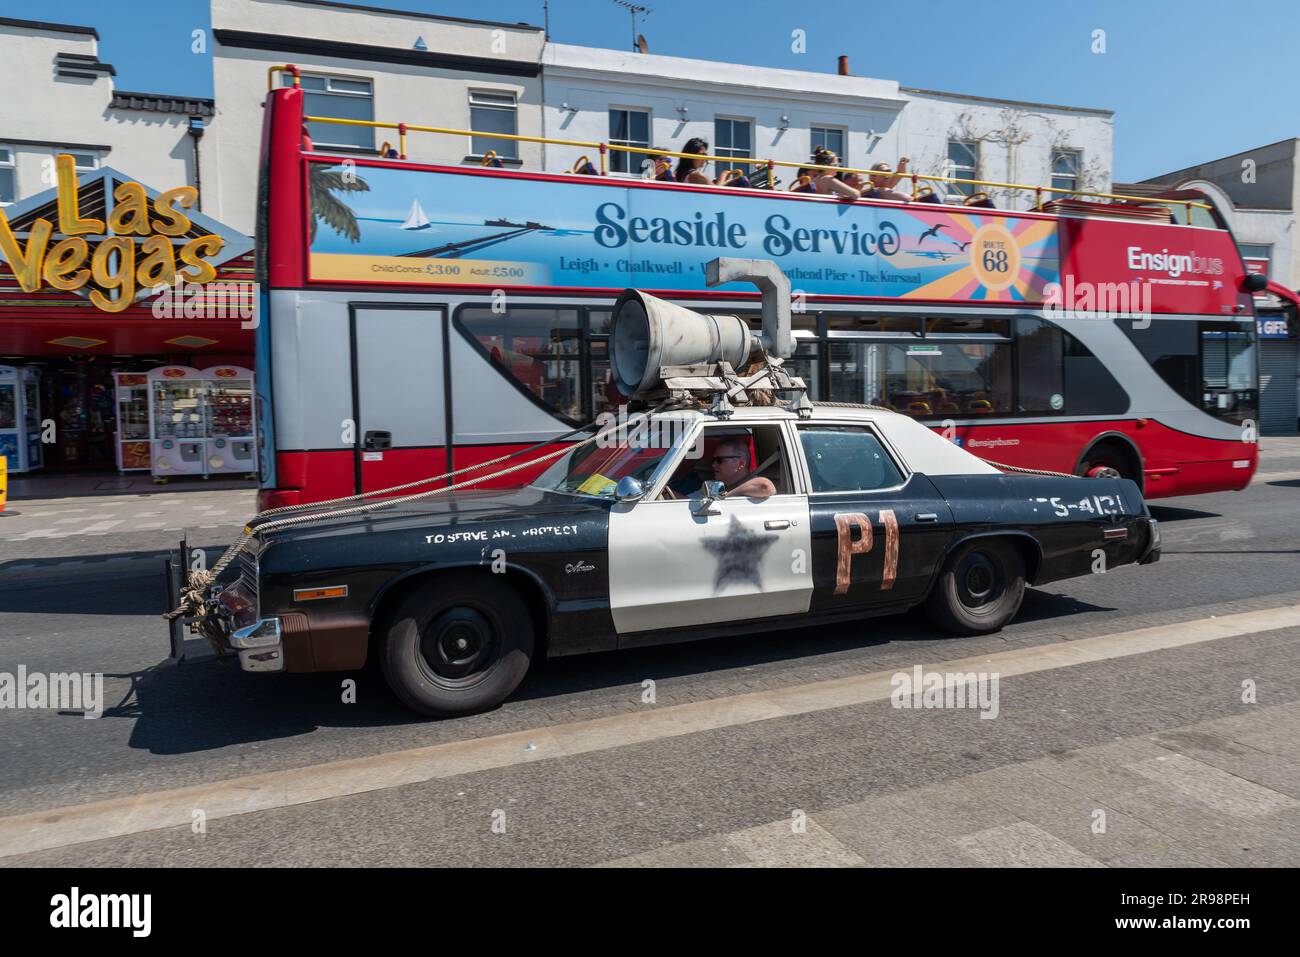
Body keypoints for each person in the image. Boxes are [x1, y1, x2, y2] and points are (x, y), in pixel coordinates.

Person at [662, 437, 775, 500]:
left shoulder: (753, 483)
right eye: (713, 460)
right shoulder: (716, 486)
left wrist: (725, 497)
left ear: (740, 464)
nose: (713, 465)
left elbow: (765, 486)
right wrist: (663, 491)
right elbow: (687, 501)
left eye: (719, 460)